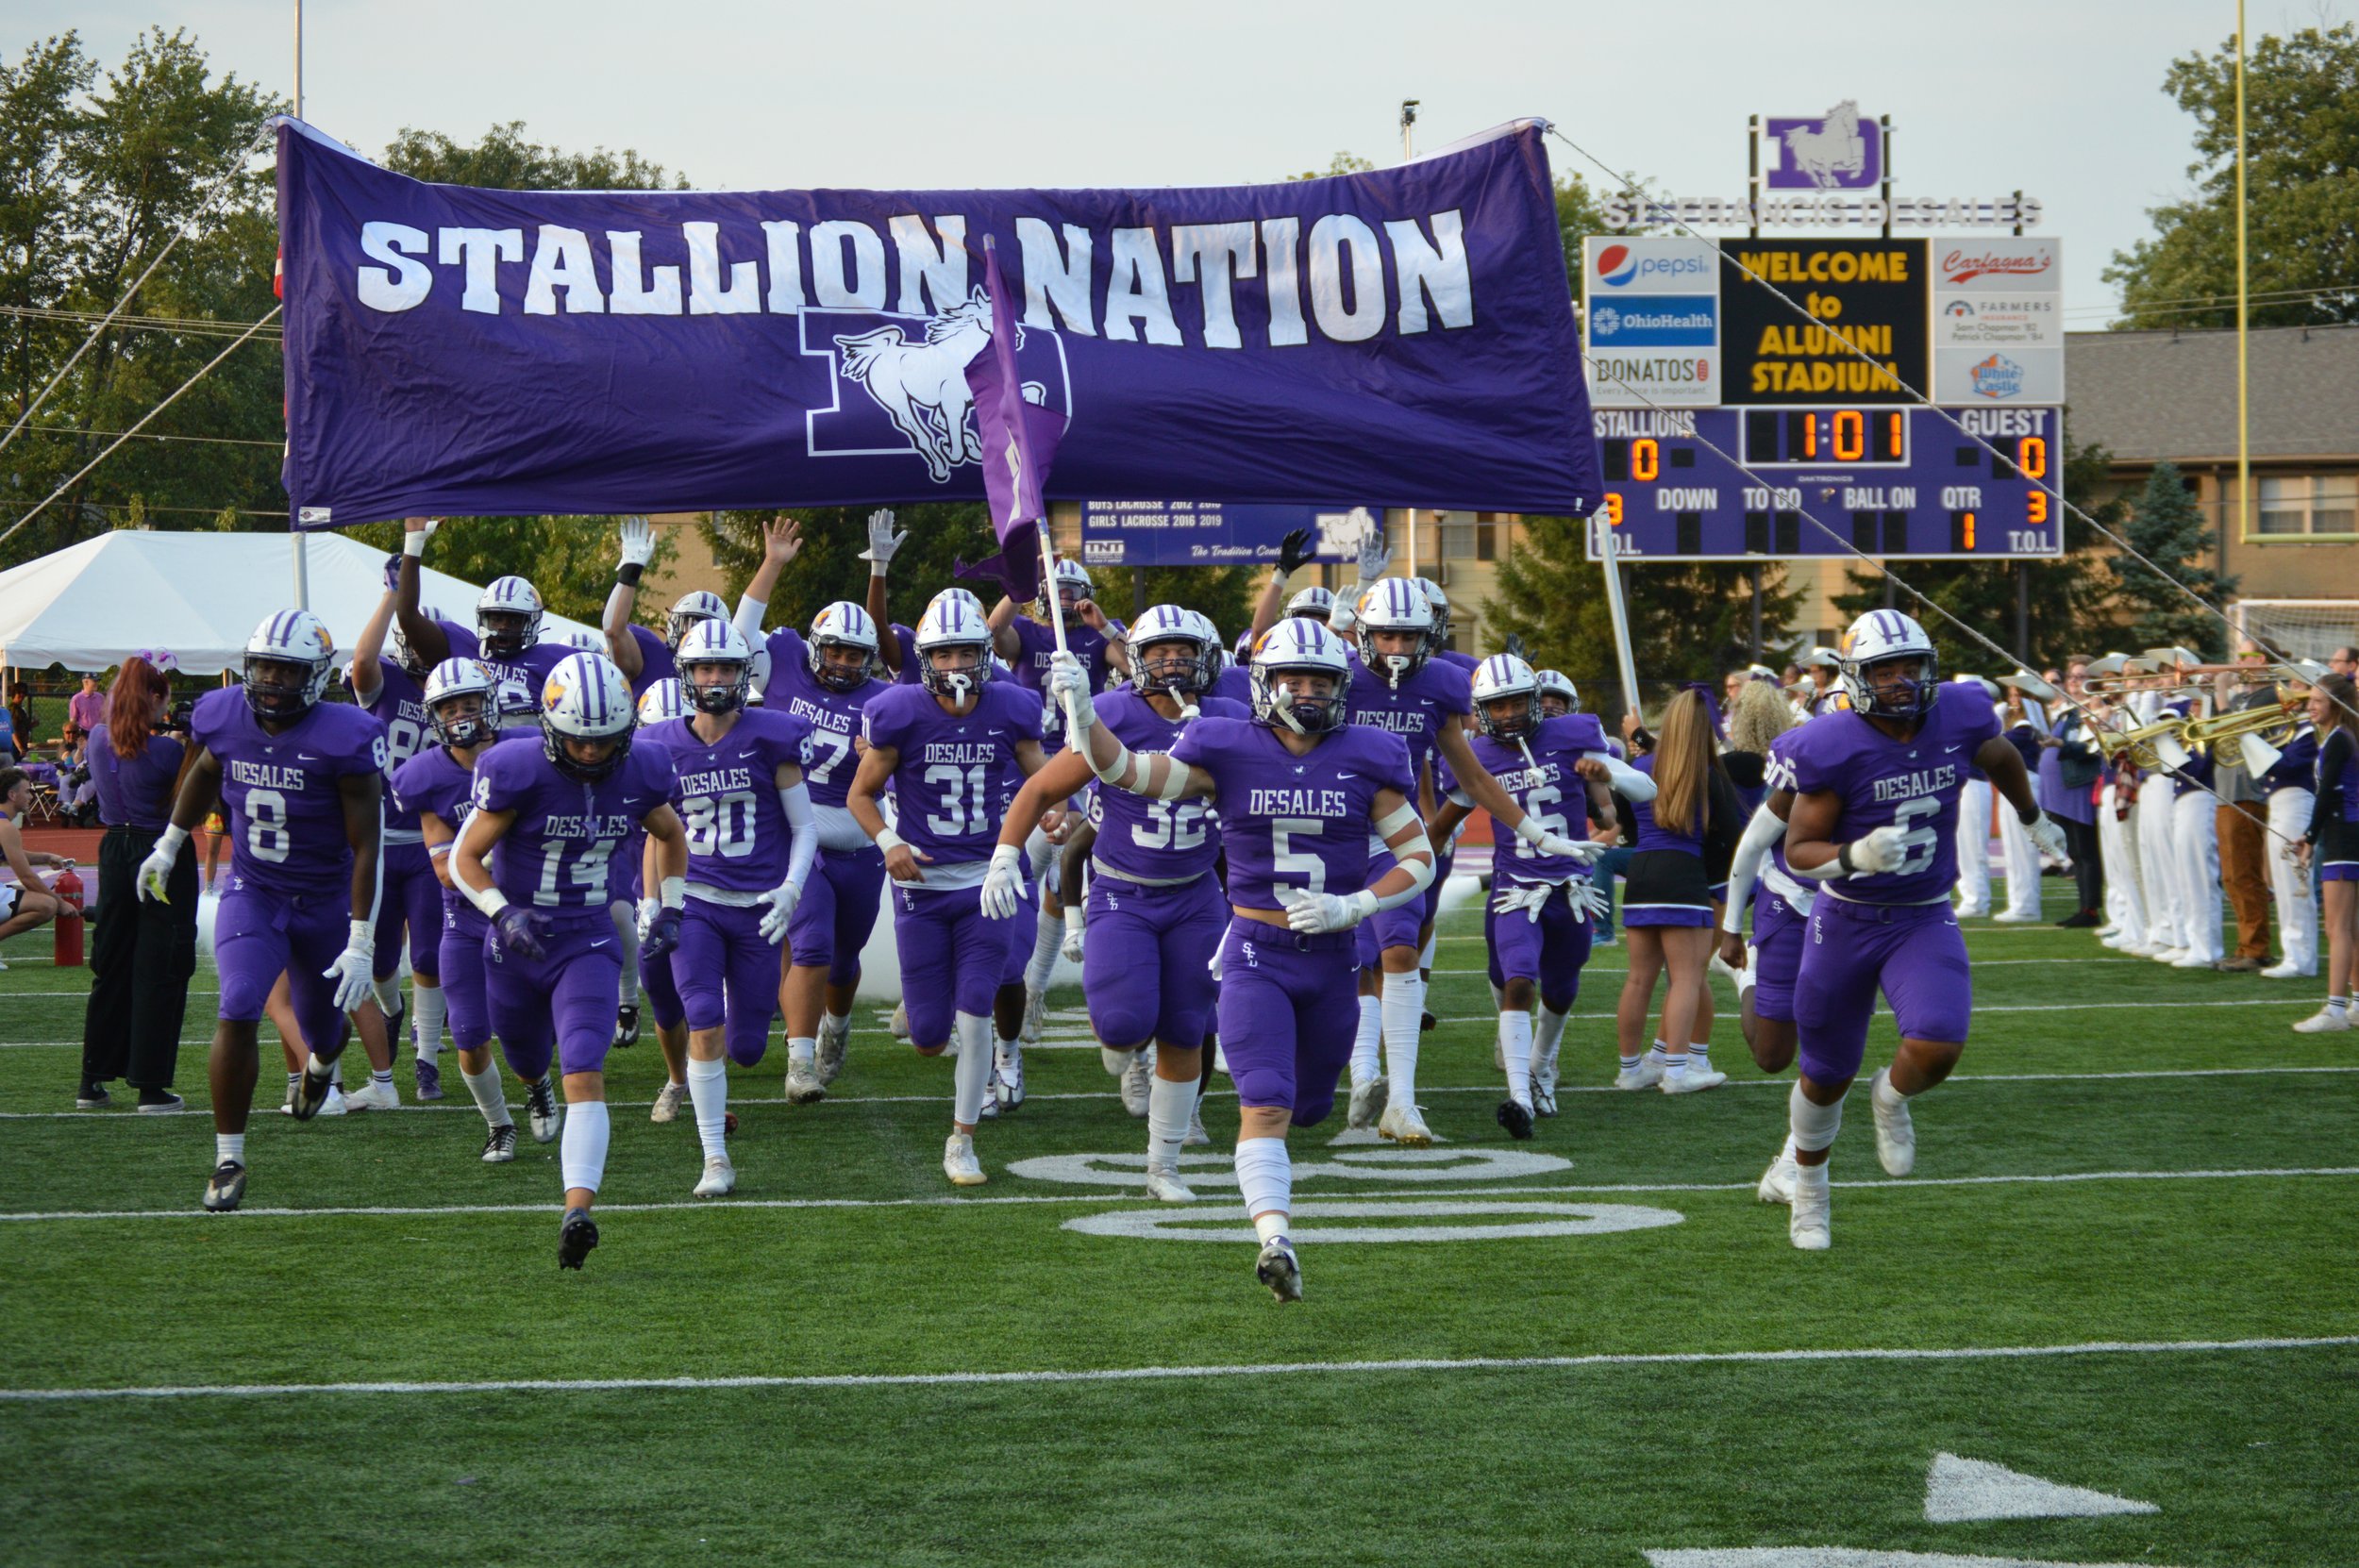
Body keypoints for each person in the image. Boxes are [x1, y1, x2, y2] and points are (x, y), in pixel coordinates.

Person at [1054, 617, 1431, 1301]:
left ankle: (1273, 1212)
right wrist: (1083, 714)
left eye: (1321, 680)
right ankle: (1274, 1238)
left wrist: (1357, 907)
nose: (1308, 693)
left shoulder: (1367, 755)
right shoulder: (1227, 748)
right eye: (1294, 678)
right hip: (1256, 951)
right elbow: (1131, 773)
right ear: (1264, 682)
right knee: (1264, 1101)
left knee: (1312, 1105)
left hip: (1334, 957)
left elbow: (1419, 859)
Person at [1770, 609, 2066, 1249]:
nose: (1902, 681)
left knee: (1937, 1044)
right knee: (1824, 1070)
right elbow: (1799, 850)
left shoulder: (1958, 713)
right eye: (1885, 669)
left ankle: (1891, 1096)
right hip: (1845, 917)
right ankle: (1812, 1194)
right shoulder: (1830, 742)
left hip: (1922, 913)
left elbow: (2000, 753)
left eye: (1912, 666)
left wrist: (2032, 816)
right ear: (1856, 676)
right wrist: (1853, 856)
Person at [988, 605, 1242, 1199]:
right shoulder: (1111, 712)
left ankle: (1164, 1165)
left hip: (1198, 893)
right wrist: (1006, 854)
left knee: (1186, 1027)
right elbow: (1041, 787)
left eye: (1183, 651)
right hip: (1123, 891)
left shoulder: (1232, 718)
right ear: (1134, 661)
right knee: (1123, 1026)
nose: (1171, 661)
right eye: (1157, 652)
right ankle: (1132, 1053)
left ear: (1208, 659)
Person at [139, 610, 388, 1213]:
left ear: (318, 675)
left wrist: (360, 940)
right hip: (254, 891)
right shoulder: (222, 714)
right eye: (264, 666)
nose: (272, 680)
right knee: (239, 1002)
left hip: (325, 899)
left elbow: (367, 846)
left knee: (324, 1030)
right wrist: (170, 843)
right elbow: (205, 770)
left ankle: (323, 1065)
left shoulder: (347, 736)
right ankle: (229, 1158)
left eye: (287, 669)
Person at [451, 651, 689, 1267]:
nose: (592, 754)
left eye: (605, 741)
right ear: (553, 730)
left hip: (586, 937)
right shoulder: (516, 769)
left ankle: (577, 1210)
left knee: (584, 1065)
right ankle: (534, 1088)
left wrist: (672, 905)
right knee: (528, 1058)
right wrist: (503, 912)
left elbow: (670, 835)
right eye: (580, 742)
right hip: (516, 941)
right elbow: (463, 859)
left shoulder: (640, 771)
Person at [847, 593, 1047, 1187]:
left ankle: (962, 1140)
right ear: (925, 657)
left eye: (967, 652)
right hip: (923, 890)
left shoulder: (1012, 705)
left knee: (977, 1005)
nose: (957, 664)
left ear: (986, 655)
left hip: (990, 880)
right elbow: (860, 796)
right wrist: (889, 842)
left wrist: (1064, 804)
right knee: (931, 1037)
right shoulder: (898, 711)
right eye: (945, 653)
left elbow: (1047, 775)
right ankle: (954, 1060)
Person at [642, 620, 816, 1196]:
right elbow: (656, 835)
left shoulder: (772, 736)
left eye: (725, 668)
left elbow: (804, 827)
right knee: (704, 1022)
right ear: (687, 675)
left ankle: (719, 1103)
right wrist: (652, 902)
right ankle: (715, 1157)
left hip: (758, 906)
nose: (714, 678)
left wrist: (791, 889)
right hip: (696, 902)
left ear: (744, 675)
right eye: (704, 668)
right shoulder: (661, 743)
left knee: (745, 1048)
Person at [1429, 655, 1637, 1130]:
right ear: (1480, 711)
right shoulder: (1475, 756)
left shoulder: (1571, 738)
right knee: (1517, 980)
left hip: (1573, 889)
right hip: (1515, 889)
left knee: (1561, 990)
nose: (1509, 715)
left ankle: (1542, 1065)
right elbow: (1443, 822)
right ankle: (1520, 1094)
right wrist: (1418, 864)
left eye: (1517, 703)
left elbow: (1612, 817)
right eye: (1496, 707)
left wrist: (1605, 783)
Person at [732, 517, 892, 1096]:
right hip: (801, 840)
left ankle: (838, 1027)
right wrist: (772, 562)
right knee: (814, 944)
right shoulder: (784, 662)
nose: (847, 663)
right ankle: (799, 1062)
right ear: (816, 647)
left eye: (857, 655)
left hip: (858, 845)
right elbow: (739, 631)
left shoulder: (886, 701)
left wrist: (880, 758)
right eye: (839, 652)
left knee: (844, 959)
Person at [348, 562, 453, 1101]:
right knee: (383, 960)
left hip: (431, 843)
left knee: (430, 957)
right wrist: (392, 594)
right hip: (381, 846)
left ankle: (427, 1058)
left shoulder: (454, 694)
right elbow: (362, 660)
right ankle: (392, 1013)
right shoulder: (382, 684)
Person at [77, 656, 196, 1110]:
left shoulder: (97, 738)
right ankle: (150, 1084)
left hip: (114, 851)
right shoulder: (166, 750)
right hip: (160, 849)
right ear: (152, 698)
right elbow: (191, 794)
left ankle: (91, 1080)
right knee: (160, 967)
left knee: (111, 965)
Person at [1612, 690, 1743, 1093]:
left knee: (1638, 979)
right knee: (1687, 978)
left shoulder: (1640, 764)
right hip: (1685, 876)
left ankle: (1631, 1071)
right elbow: (1731, 836)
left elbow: (1626, 825)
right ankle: (1679, 1072)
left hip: (1641, 875)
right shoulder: (1708, 772)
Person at [392, 515, 574, 688]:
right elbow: (407, 616)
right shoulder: (462, 647)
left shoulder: (554, 660)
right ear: (483, 618)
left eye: (514, 621)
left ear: (532, 622)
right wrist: (414, 541)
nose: (503, 627)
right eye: (496, 619)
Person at [2292, 674, 2359, 1031]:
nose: (2310, 706)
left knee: (2337, 927)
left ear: (2336, 704)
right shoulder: (2343, 737)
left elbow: (2326, 795)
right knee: (2350, 926)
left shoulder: (2338, 740)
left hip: (2344, 836)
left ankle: (2335, 1009)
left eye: (2318, 700)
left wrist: (2309, 836)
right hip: (2346, 833)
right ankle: (2357, 1004)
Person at [602, 514, 732, 699]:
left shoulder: (729, 671)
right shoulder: (653, 655)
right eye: (691, 623)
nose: (698, 634)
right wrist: (630, 572)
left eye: (706, 626)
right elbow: (613, 630)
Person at [2257, 696, 2319, 978]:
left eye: (2296, 688)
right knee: (2281, 885)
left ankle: (2302, 959)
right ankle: (2292, 954)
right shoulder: (2290, 729)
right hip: (2279, 803)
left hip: (2297, 802)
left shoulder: (2309, 732)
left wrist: (2247, 737)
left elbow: (2283, 767)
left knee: (2295, 883)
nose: (2288, 697)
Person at [2040, 660, 2106, 927]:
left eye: (2082, 676)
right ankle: (2085, 907)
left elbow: (2089, 749)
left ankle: (2090, 909)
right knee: (2077, 853)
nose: (2075, 681)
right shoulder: (2068, 711)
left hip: (2078, 787)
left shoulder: (2092, 708)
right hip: (2064, 790)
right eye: (2072, 676)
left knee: (2086, 851)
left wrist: (2059, 744)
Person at [0, 769, 67, 971]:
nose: (31, 796)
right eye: (27, 792)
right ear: (13, 795)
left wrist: (45, 857)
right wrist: (61, 903)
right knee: (46, 905)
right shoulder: (6, 827)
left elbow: (12, 853)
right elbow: (27, 877)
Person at [67, 673, 106, 737]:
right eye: (94, 681)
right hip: (83, 733)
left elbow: (105, 716)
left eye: (97, 681)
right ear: (86, 682)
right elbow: (73, 721)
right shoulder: (76, 699)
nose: (97, 684)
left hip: (99, 733)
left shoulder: (100, 697)